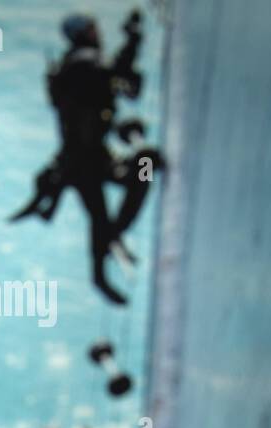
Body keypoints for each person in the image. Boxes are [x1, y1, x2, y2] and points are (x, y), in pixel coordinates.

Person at [10, 9, 166, 305]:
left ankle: (102, 263)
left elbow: (113, 81)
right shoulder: (85, 62)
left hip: (80, 159)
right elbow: (118, 76)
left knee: (99, 216)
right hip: (88, 161)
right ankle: (113, 238)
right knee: (144, 167)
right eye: (94, 28)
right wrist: (133, 40)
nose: (99, 32)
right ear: (86, 33)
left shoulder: (74, 64)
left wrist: (131, 44)